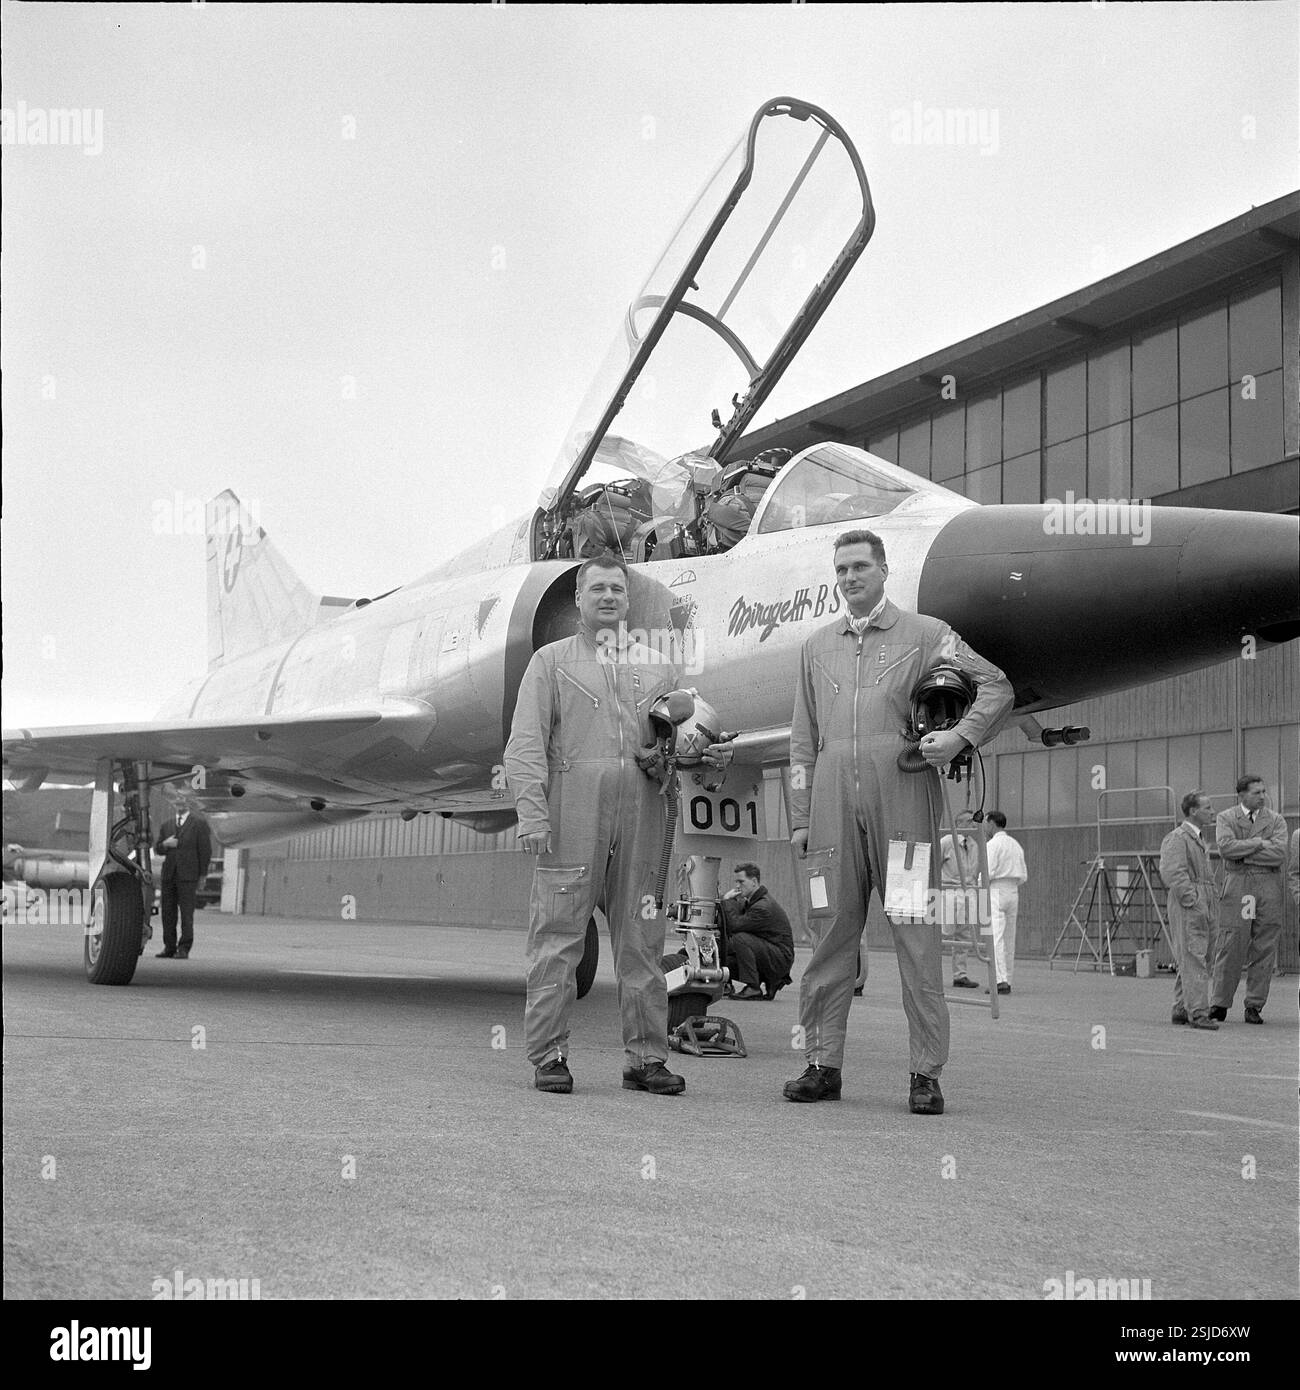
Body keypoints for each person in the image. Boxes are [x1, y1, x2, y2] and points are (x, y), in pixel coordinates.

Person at [783, 529, 1013, 1114]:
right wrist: (801, 820)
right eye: (841, 569)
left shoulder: (927, 635)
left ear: (884, 571)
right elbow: (803, 744)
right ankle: (820, 1064)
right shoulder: (815, 648)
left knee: (915, 940)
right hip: (832, 812)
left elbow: (994, 684)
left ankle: (925, 1075)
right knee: (830, 939)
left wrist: (959, 737)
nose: (850, 577)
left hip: (905, 802)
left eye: (861, 566)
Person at [503, 551, 688, 1096]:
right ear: (579, 598)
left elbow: (674, 738)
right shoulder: (551, 663)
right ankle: (550, 1056)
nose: (608, 597)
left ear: (629, 600)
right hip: (571, 812)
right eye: (597, 589)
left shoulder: (659, 666)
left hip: (644, 812)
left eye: (617, 589)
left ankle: (646, 1059)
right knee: (559, 937)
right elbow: (525, 745)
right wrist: (532, 814)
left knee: (644, 938)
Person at [1209, 775, 1287, 1025]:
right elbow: (1225, 848)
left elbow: (1278, 854)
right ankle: (1220, 1002)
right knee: (1233, 943)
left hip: (1268, 886)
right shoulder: (1226, 818)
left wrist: (1245, 855)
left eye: (1264, 791)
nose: (1262, 796)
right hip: (1241, 887)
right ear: (1241, 795)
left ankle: (1254, 1005)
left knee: (1264, 947)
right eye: (1256, 792)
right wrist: (1257, 843)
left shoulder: (1275, 820)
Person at [1159, 792, 1219, 1030]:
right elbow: (1173, 872)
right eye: (1208, 807)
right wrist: (1191, 899)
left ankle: (1182, 1007)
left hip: (1204, 899)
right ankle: (1199, 1012)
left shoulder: (1198, 839)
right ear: (1193, 811)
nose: (1212, 811)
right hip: (1191, 903)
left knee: (1198, 955)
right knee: (1194, 955)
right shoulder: (1177, 838)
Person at [721, 863, 794, 1000]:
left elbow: (735, 925)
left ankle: (753, 988)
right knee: (724, 957)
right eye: (736, 881)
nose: (737, 886)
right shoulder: (753, 901)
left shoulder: (762, 907)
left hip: (779, 960)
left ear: (754, 882)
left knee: (740, 938)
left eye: (741, 881)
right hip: (770, 955)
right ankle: (725, 983)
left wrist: (726, 901)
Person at [154, 790, 212, 960]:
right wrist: (165, 843)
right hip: (169, 875)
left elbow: (205, 851)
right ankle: (169, 947)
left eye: (183, 800)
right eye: (177, 801)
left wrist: (203, 875)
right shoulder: (167, 825)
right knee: (168, 913)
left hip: (188, 876)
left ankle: (184, 948)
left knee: (186, 913)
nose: (180, 803)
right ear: (174, 804)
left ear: (188, 803)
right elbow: (158, 849)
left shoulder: (199, 824)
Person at [984, 811, 1027, 995]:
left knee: (995, 937)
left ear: (992, 823)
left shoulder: (993, 845)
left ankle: (999, 980)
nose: (985, 826)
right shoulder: (1015, 844)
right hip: (1013, 890)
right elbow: (1024, 875)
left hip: (996, 890)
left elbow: (988, 871)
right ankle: (1007, 978)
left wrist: (977, 883)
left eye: (986, 822)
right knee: (1009, 938)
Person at [938, 810, 981, 988]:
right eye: (969, 822)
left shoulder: (974, 844)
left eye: (973, 822)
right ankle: (932, 974)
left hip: (968, 892)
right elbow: (935, 863)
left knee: (964, 935)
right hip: (949, 891)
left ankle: (960, 975)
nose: (973, 825)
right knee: (942, 933)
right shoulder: (947, 842)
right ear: (958, 824)